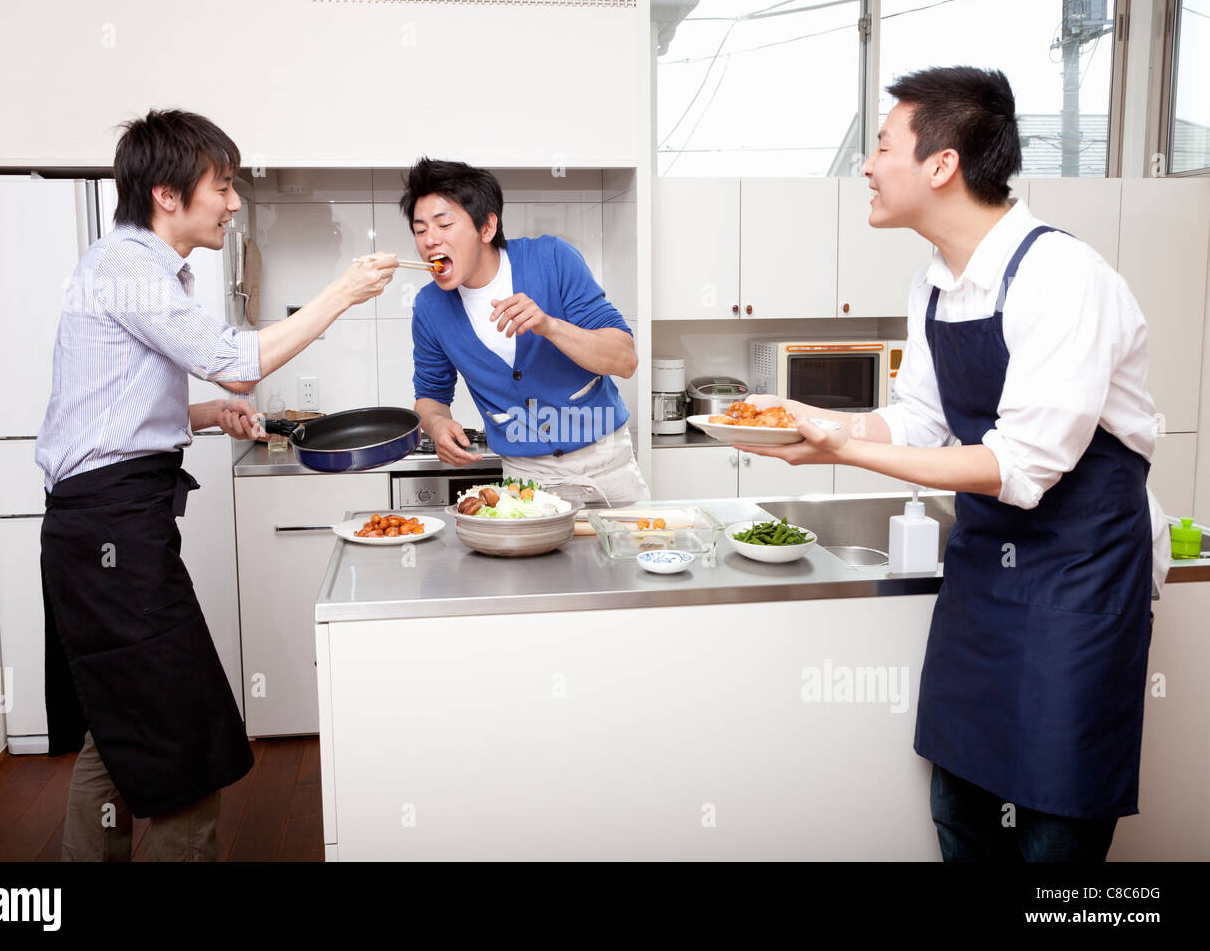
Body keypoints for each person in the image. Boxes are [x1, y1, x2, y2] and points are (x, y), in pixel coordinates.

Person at [739, 67, 1170, 861]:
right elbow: (921, 421)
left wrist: (848, 448)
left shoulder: (1061, 278)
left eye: (880, 145)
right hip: (986, 578)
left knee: (1054, 832)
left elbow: (1024, 466)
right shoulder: (935, 283)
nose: (866, 166)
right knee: (962, 813)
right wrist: (807, 425)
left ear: (942, 165)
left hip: (1081, 580)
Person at [35, 109, 396, 861]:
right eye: (223, 187)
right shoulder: (129, 268)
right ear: (168, 194)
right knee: (183, 739)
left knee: (120, 731)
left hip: (102, 527)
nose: (233, 204)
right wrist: (341, 294)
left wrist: (197, 414)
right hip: (111, 534)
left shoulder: (134, 267)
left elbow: (109, 405)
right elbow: (237, 360)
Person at [399, 157, 648, 505]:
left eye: (444, 225)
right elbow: (430, 398)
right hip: (527, 481)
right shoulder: (430, 307)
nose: (429, 241)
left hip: (608, 466)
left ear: (486, 227)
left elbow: (625, 360)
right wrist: (438, 427)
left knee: (629, 556)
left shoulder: (553, 259)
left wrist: (549, 326)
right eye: (421, 229)